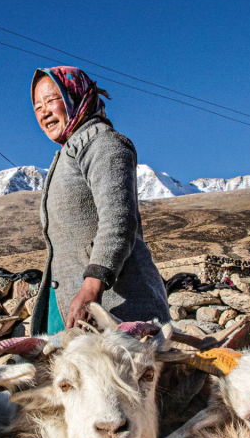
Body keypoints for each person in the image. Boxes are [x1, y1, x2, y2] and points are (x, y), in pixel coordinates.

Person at [29, 66, 170, 334]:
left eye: (51, 100)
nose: (44, 111)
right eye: (37, 106)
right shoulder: (69, 152)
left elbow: (118, 221)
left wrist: (92, 287)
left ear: (76, 96)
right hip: (73, 305)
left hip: (114, 308)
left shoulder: (103, 144)